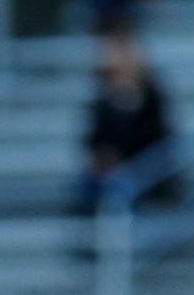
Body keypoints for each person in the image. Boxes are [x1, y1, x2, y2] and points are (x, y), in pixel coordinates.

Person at [75, 32, 175, 214]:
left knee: (123, 186)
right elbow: (93, 139)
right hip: (109, 170)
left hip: (145, 167)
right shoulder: (102, 101)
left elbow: (158, 136)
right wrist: (105, 159)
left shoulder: (152, 98)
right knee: (86, 186)